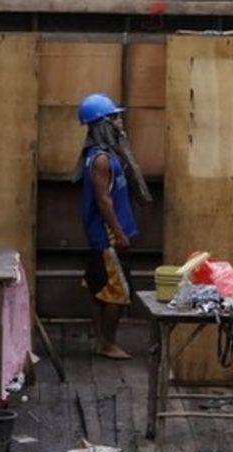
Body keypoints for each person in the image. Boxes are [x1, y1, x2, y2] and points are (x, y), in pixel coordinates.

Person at [75, 93, 139, 360]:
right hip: (108, 236)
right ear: (102, 123)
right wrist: (120, 234)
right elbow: (103, 201)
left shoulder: (105, 155)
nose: (120, 121)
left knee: (97, 284)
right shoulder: (100, 159)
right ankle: (107, 343)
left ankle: (100, 339)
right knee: (117, 291)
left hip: (105, 234)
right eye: (114, 118)